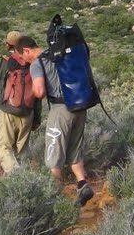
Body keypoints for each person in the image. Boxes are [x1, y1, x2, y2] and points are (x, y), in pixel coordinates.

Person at [30, 37, 94, 206]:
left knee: (54, 154)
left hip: (60, 109)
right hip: (79, 105)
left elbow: (39, 91)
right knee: (74, 148)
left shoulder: (38, 62)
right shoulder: (61, 55)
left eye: (23, 56)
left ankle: (54, 200)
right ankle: (82, 184)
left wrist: (33, 92)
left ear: (26, 51)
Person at [0, 33, 42, 173]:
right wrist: (37, 118)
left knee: (4, 148)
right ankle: (27, 182)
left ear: (7, 45)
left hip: (7, 112)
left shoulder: (0, 63)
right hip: (27, 112)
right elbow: (38, 94)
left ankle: (16, 178)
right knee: (22, 150)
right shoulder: (30, 61)